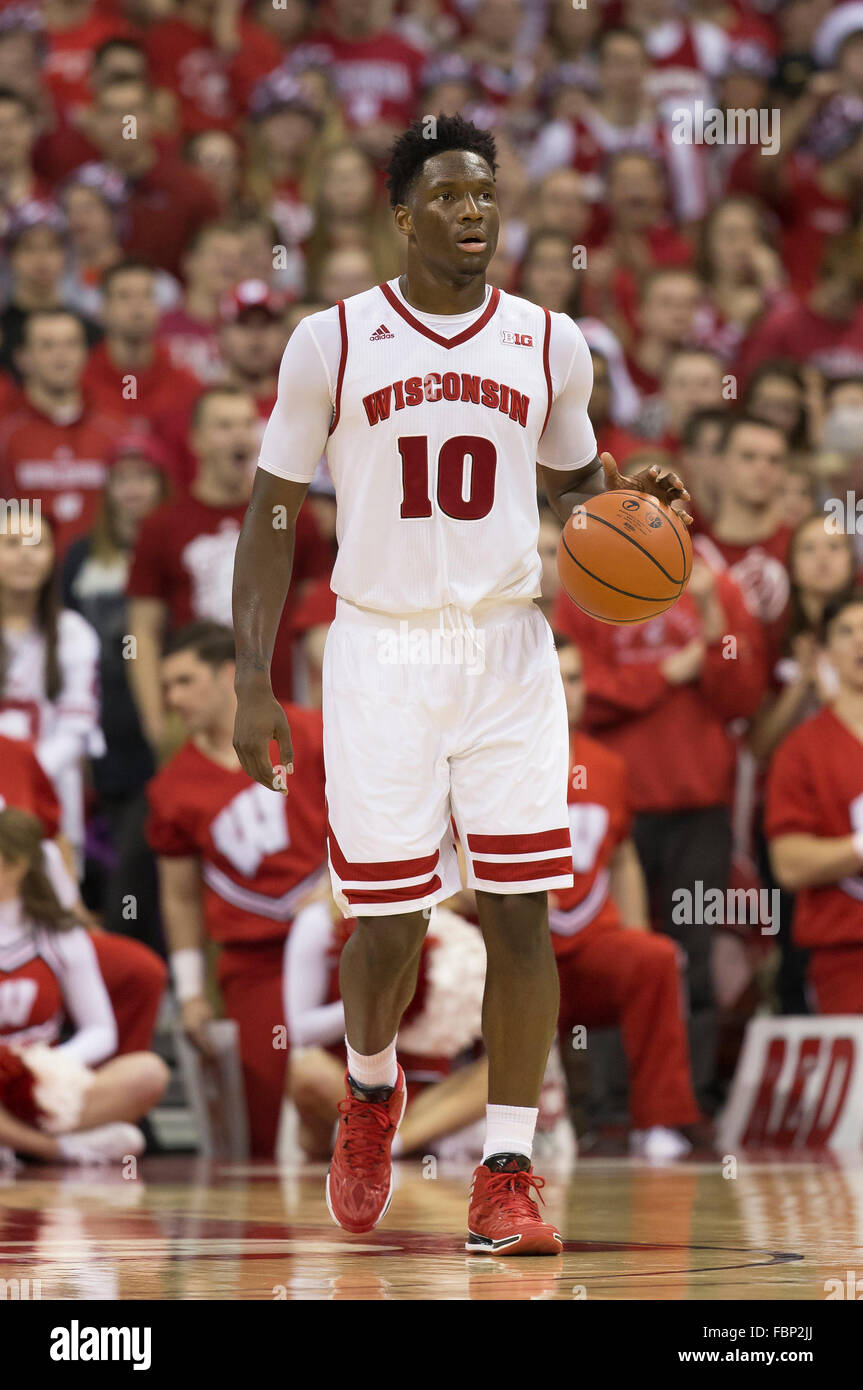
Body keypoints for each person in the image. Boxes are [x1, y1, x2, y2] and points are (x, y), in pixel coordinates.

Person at [231, 113, 689, 1253]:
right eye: (447, 195)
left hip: (504, 646)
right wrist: (251, 680)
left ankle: (504, 1170)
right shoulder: (328, 342)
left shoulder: (550, 342)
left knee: (518, 911)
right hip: (379, 648)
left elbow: (583, 494)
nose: (473, 213)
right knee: (386, 924)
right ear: (399, 213)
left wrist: (639, 503)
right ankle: (373, 1087)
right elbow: (273, 515)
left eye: (485, 194)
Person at [147, 622, 328, 1156]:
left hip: (345, 936)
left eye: (184, 681)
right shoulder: (173, 788)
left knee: (367, 1086)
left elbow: (371, 813)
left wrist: (340, 883)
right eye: (166, 686)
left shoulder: (310, 733)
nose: (172, 698)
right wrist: (190, 992)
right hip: (256, 961)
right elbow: (178, 896)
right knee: (271, 1122)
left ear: (229, 673)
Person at [552, 635, 700, 1159]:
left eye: (573, 678)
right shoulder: (490, 763)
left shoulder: (608, 765)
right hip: (514, 952)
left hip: (588, 948)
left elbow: (621, 855)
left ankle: (658, 1121)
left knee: (654, 958)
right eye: (553, 678)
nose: (566, 691)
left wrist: (632, 929)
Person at [127, 387, 330, 748]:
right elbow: (142, 631)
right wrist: (154, 719)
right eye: (223, 425)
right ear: (196, 441)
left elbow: (318, 622)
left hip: (278, 711)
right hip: (196, 717)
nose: (239, 435)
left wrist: (321, 704)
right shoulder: (162, 525)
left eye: (246, 424)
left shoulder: (294, 517)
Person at [0, 807, 168, 1164]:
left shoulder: (59, 935)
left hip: (41, 1086)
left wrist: (42, 1066)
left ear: (16, 865)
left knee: (147, 1072)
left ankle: (16, 1142)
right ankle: (56, 1150)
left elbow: (100, 1030)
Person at [767, 590, 863, 1013]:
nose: (861, 642)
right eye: (846, 632)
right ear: (825, 652)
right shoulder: (800, 749)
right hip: (844, 954)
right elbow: (789, 863)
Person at [0, 519, 103, 861]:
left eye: (36, 545)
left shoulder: (74, 633)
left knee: (57, 904)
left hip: (51, 795)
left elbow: (77, 728)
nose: (25, 557)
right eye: (12, 544)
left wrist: (24, 778)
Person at [0, 308, 113, 558]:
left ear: (85, 354)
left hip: (99, 574)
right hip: (25, 572)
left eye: (71, 344)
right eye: (47, 346)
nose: (61, 355)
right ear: (23, 358)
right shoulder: (5, 433)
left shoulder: (113, 431)